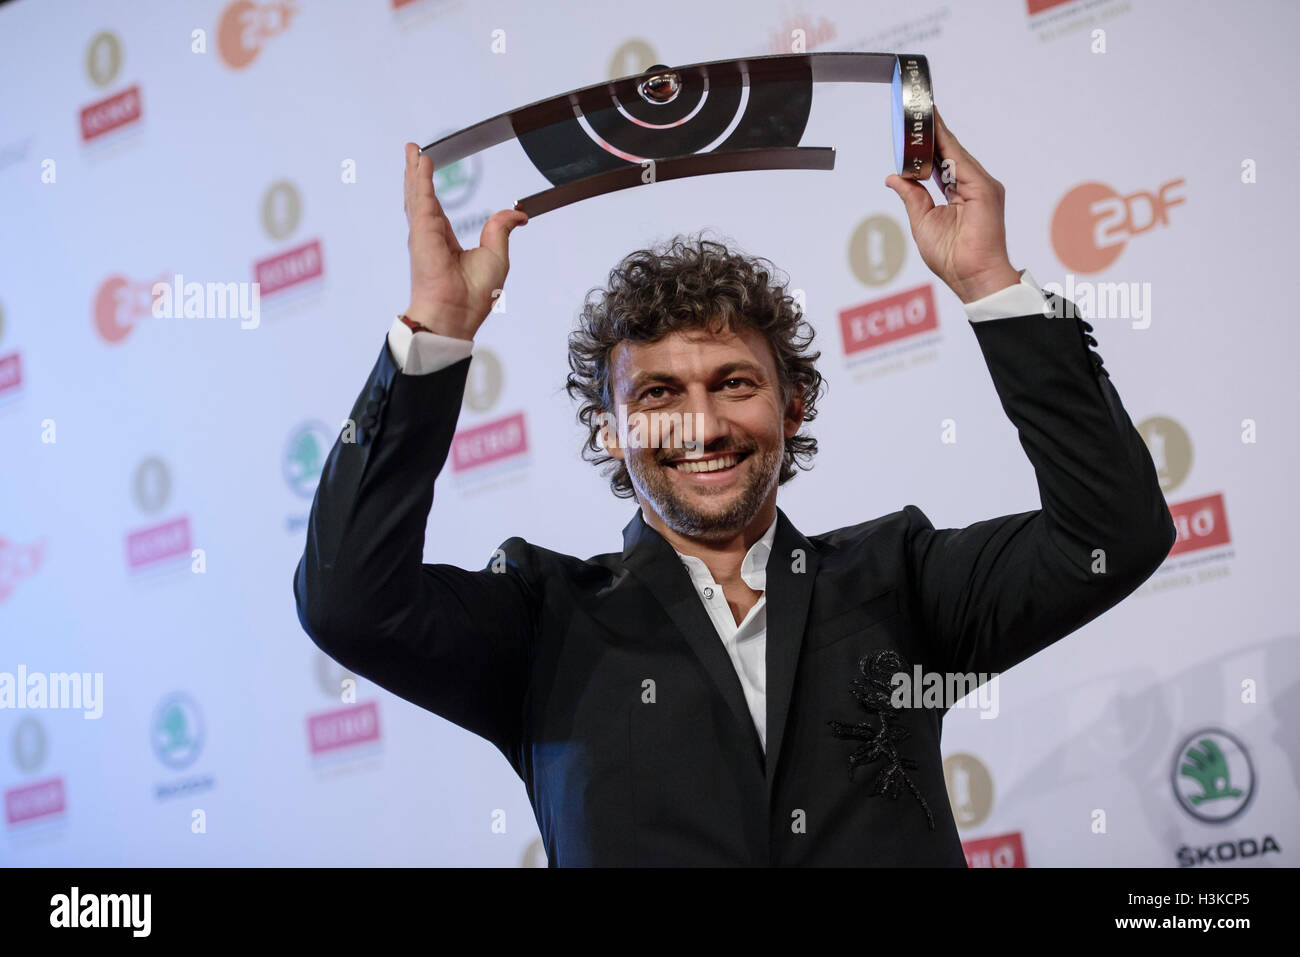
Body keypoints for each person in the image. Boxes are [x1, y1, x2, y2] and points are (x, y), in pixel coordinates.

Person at [293, 109, 1175, 866]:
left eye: (735, 383)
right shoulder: (541, 621)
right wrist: (438, 331)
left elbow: (1114, 532)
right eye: (658, 394)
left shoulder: (898, 579)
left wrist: (990, 283)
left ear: (793, 404)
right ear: (611, 430)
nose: (702, 423)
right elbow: (348, 602)